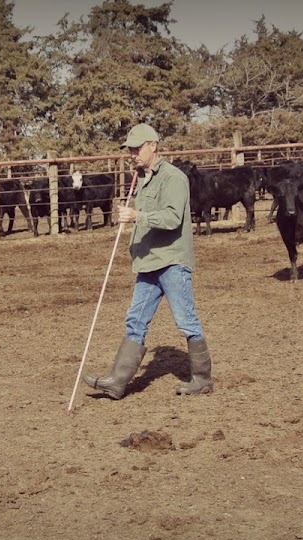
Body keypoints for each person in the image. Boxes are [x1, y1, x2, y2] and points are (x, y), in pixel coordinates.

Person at [83, 123, 213, 398]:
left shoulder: (174, 178)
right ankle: (118, 382)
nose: (132, 154)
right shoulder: (142, 179)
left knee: (186, 320)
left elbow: (171, 218)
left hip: (171, 261)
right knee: (135, 320)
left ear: (153, 146)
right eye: (130, 149)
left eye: (136, 148)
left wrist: (136, 216)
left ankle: (202, 379)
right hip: (148, 262)